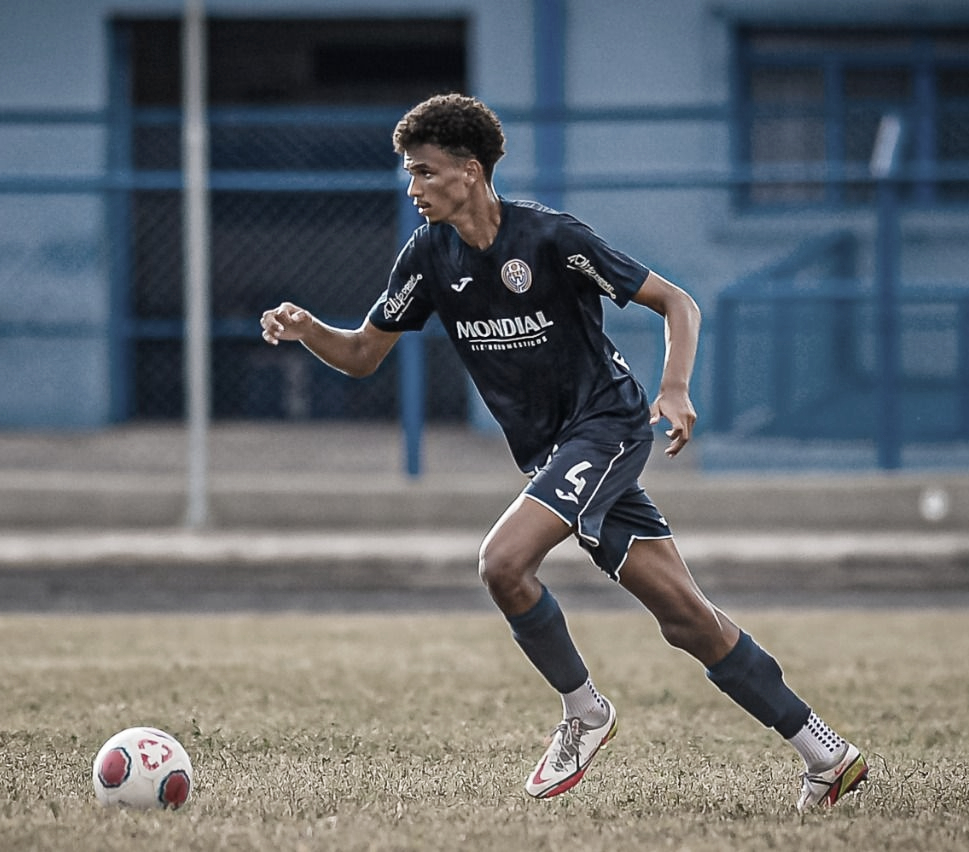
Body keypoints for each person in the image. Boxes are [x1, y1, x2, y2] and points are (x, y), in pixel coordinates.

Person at [260, 93, 867, 811]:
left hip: (607, 427)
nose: (412, 188)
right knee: (686, 618)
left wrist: (673, 388)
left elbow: (678, 302)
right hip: (556, 456)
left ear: (471, 170)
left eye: (423, 172)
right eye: (408, 173)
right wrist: (309, 331)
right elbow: (362, 354)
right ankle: (828, 755)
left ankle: (584, 712)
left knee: (503, 563)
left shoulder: (551, 238)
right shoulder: (427, 256)